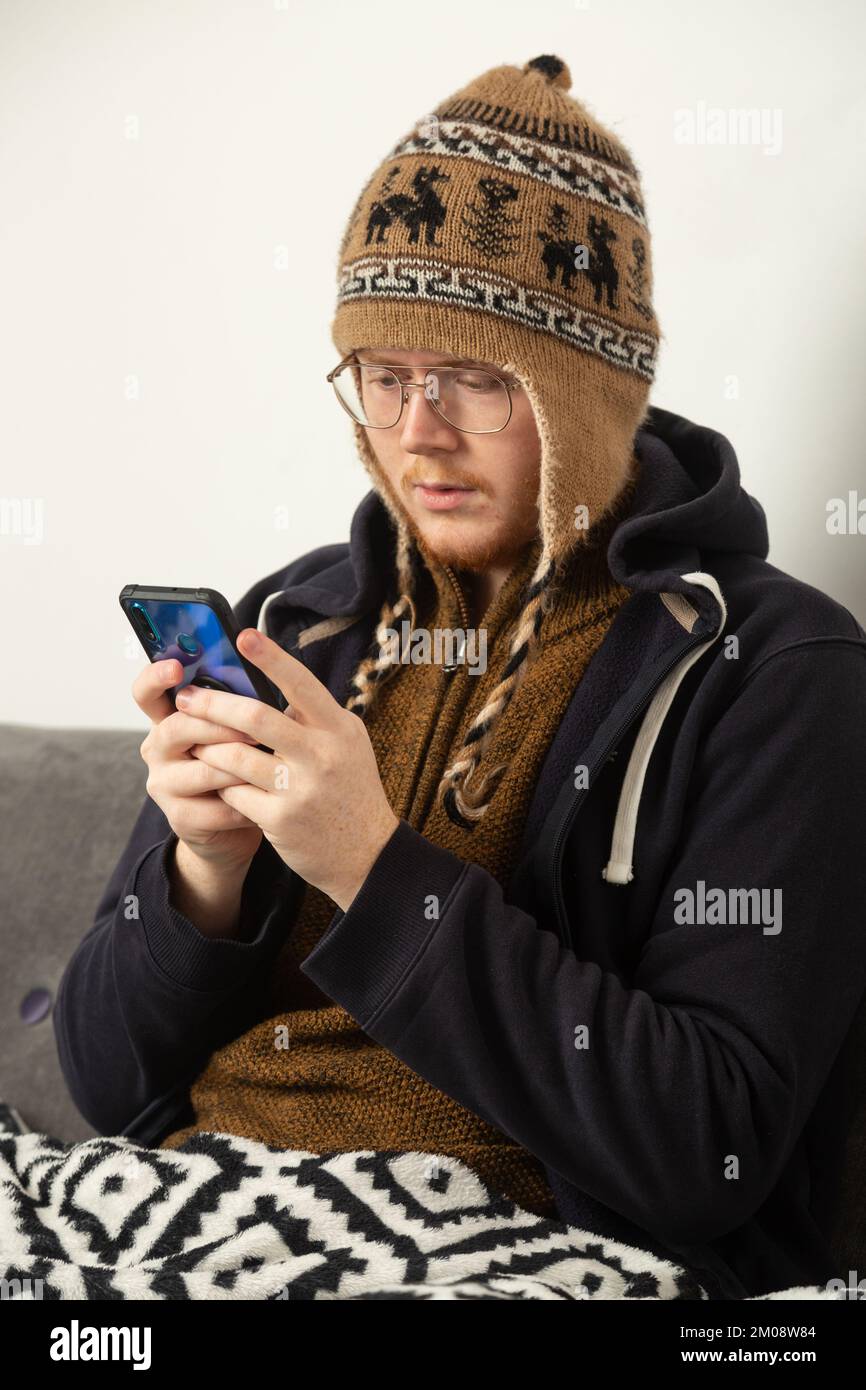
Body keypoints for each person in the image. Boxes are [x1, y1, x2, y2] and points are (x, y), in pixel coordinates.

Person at [54, 54, 866, 1301]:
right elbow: (106, 1090)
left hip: (491, 1248)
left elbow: (707, 1145)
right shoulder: (302, 620)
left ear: (589, 393)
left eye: (475, 379)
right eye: (382, 375)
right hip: (188, 1205)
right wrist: (202, 878)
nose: (416, 430)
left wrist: (371, 872)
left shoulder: (773, 672)